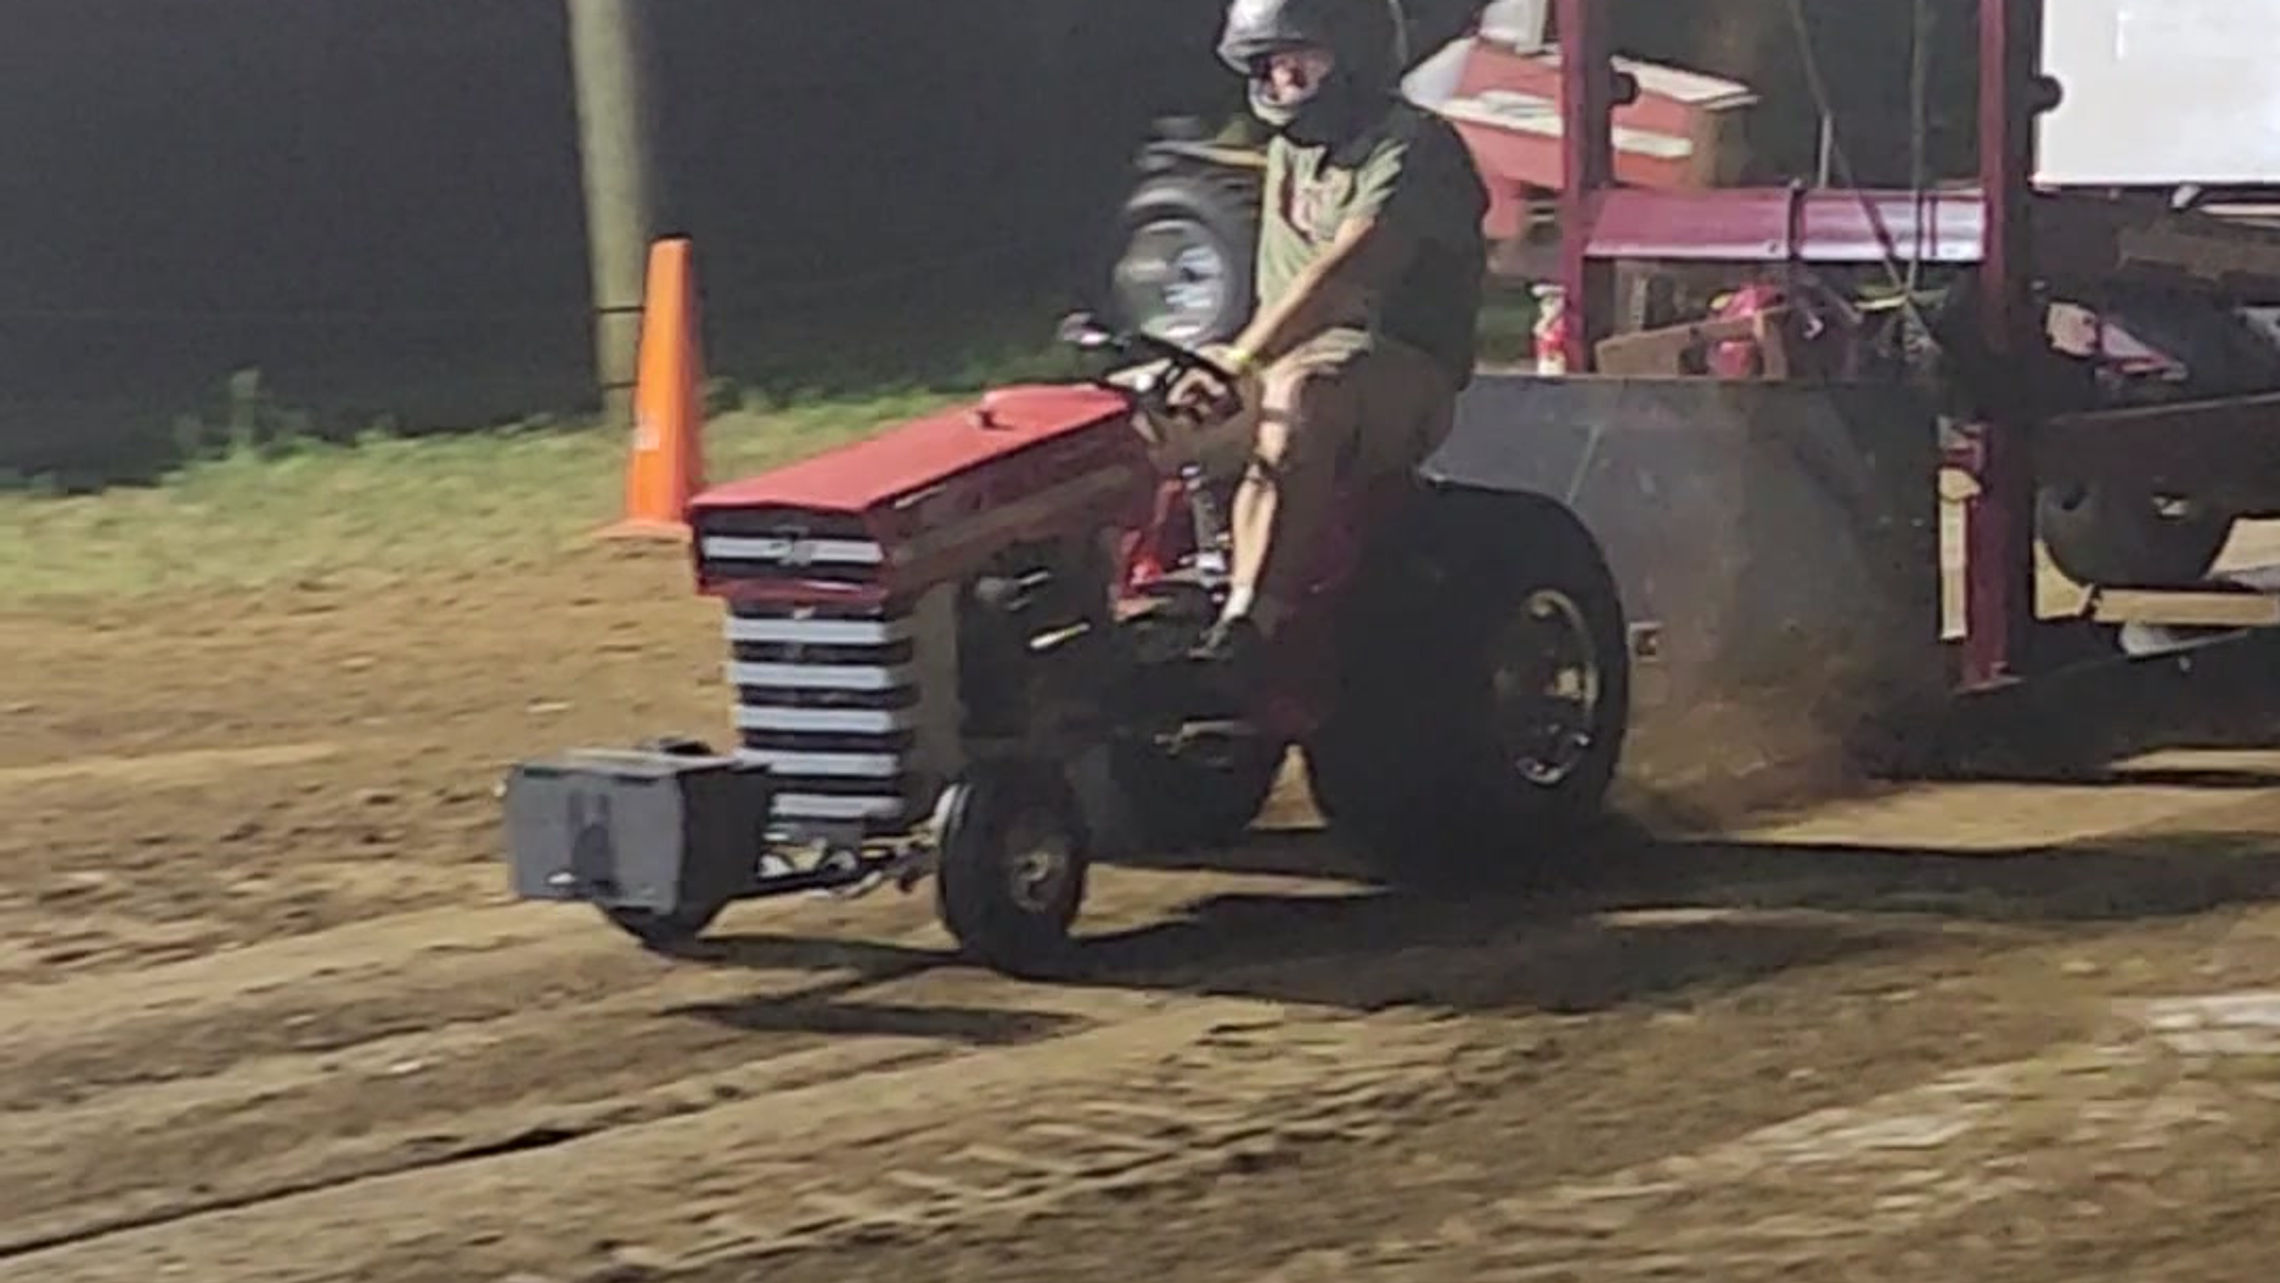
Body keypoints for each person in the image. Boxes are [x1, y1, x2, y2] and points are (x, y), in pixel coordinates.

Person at [1168, 0, 1490, 670]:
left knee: (1304, 393)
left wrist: (1242, 360)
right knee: (1133, 406)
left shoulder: (1414, 144)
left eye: (1299, 59)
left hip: (1403, 370)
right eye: (1267, 64)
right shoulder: (1290, 152)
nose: (1281, 79)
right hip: (1282, 359)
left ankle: (1251, 627)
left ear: (1354, 53)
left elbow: (1348, 272)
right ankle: (1146, 598)